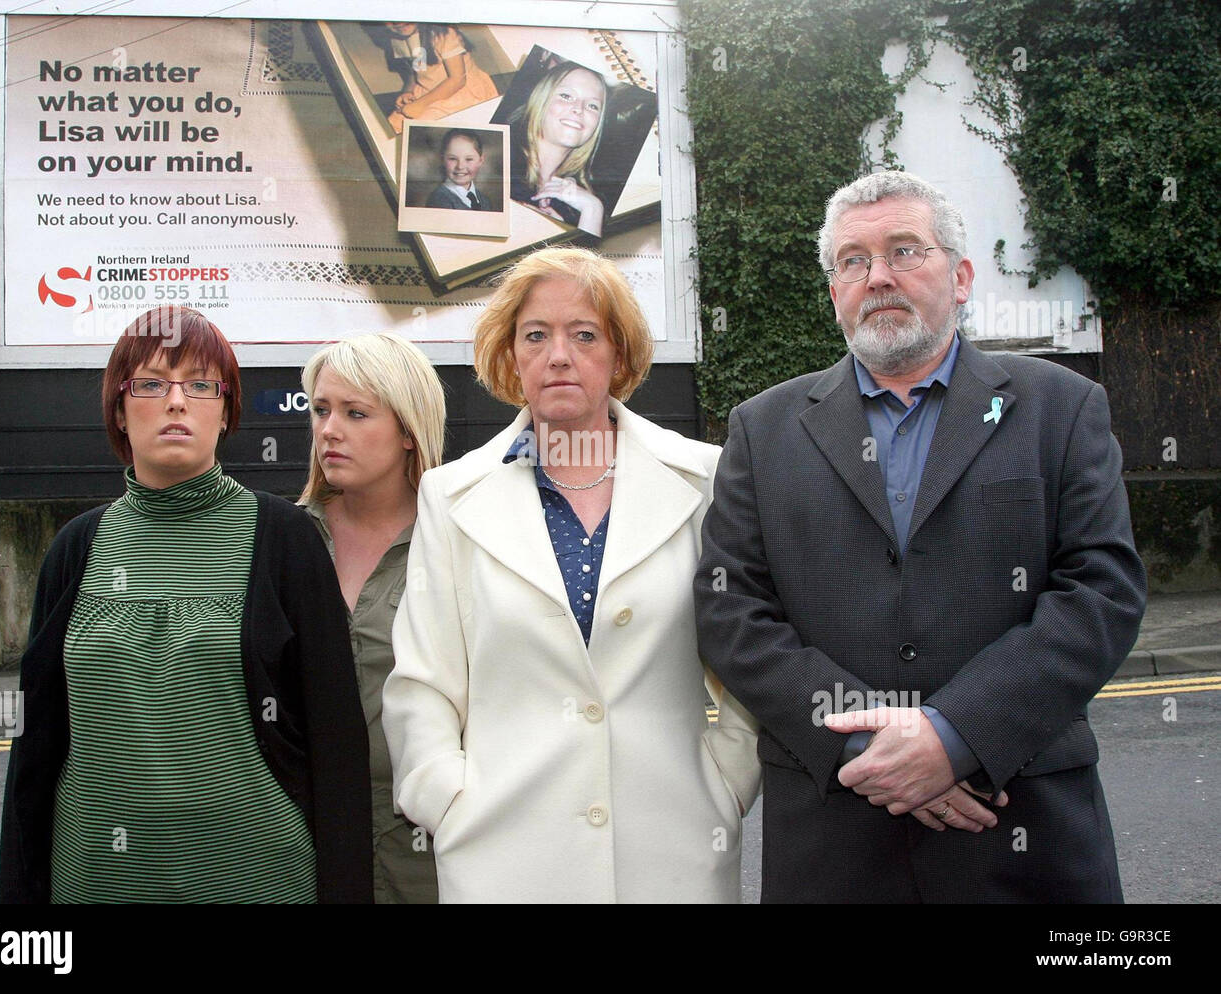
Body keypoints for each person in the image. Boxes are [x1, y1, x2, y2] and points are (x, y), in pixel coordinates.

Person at [694, 170, 1147, 903]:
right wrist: (875, 748)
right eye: (852, 261)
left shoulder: (1060, 408)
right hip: (836, 845)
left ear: (962, 277)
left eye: (905, 251)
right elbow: (731, 613)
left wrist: (955, 737)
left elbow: (1101, 593)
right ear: (834, 287)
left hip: (1021, 838)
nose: (878, 277)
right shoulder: (762, 428)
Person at [382, 246, 760, 903]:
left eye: (584, 334)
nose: (559, 354)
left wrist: (727, 781)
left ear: (619, 354)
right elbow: (423, 685)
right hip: (501, 861)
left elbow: (752, 652)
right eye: (536, 335)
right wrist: (449, 802)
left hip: (674, 855)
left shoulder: (705, 480)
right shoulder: (451, 496)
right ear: (510, 356)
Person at [0, 306, 373, 904]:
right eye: (151, 383)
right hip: (97, 878)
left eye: (200, 385)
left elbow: (337, 743)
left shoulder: (283, 539)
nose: (177, 402)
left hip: (259, 879)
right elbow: (35, 749)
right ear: (119, 410)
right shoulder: (76, 548)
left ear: (226, 411)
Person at [298, 333, 447, 904]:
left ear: (409, 431)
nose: (329, 429)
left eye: (356, 413)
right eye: (321, 410)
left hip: (433, 853)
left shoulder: (460, 536)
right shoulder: (282, 541)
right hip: (309, 852)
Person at [508, 61, 607, 236]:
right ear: (541, 100)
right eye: (566, 96)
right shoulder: (498, 165)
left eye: (593, 106)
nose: (579, 109)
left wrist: (592, 209)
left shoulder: (582, 200)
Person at [382, 22, 498, 135]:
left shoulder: (443, 32)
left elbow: (458, 80)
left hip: (458, 91)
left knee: (419, 130)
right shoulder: (397, 38)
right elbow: (413, 73)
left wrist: (420, 105)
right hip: (427, 91)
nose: (398, 22)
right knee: (392, 125)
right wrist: (407, 91)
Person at [425, 129, 494, 211]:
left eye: (469, 159)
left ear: (480, 161)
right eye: (452, 158)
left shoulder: (484, 200)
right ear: (442, 159)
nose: (460, 166)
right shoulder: (438, 200)